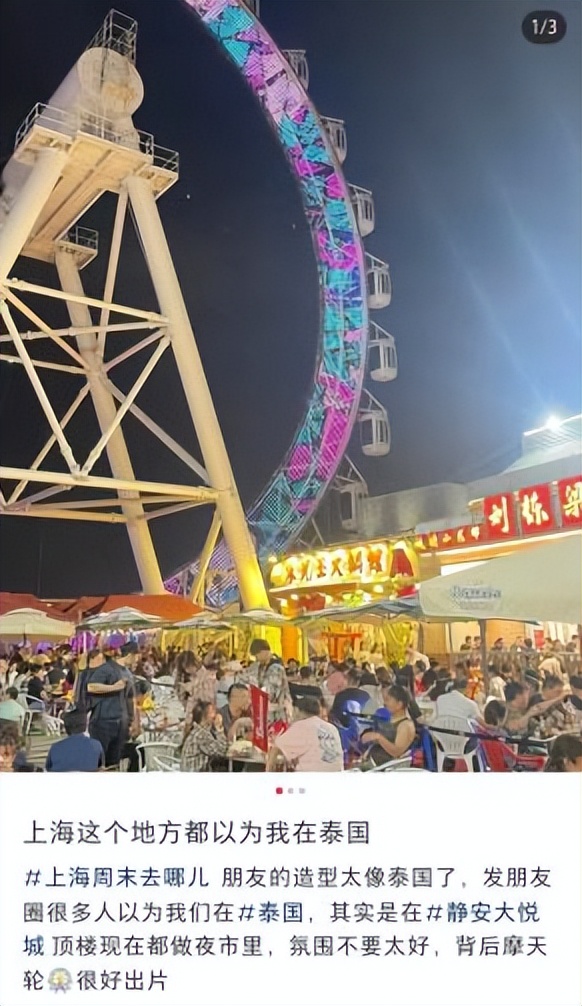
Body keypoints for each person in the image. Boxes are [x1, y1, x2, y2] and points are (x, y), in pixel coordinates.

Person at [266, 696, 343, 772]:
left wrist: (268, 772)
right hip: (337, 777)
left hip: (311, 779)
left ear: (296, 710)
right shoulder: (332, 728)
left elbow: (277, 748)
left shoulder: (302, 725)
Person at [85, 648, 127, 768]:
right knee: (99, 760)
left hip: (117, 720)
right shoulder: (105, 669)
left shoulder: (121, 670)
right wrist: (114, 687)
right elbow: (91, 687)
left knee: (113, 761)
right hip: (103, 720)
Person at [360, 684, 417, 766]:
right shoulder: (386, 720)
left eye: (388, 700)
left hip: (387, 767)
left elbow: (396, 752)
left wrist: (379, 737)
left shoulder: (406, 725)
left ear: (399, 704)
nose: (384, 703)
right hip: (371, 761)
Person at [239, 639, 292, 727]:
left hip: (276, 714)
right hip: (264, 712)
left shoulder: (276, 668)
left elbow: (270, 692)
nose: (256, 658)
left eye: (257, 655)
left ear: (264, 651)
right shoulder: (260, 666)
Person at [180, 701, 237, 772]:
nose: (216, 714)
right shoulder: (201, 735)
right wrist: (219, 730)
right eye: (213, 711)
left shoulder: (200, 731)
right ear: (205, 716)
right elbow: (222, 751)